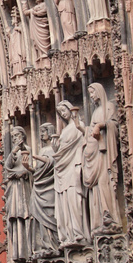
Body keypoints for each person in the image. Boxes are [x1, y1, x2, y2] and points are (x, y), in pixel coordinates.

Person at [83, 84, 121, 234]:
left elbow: (115, 125)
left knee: (106, 182)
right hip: (96, 155)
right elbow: (90, 133)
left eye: (92, 92)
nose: (91, 96)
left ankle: (111, 216)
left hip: (105, 153)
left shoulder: (109, 107)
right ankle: (99, 220)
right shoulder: (95, 112)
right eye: (90, 93)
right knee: (97, 187)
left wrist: (101, 125)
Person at [52, 101, 89, 247]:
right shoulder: (66, 129)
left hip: (74, 165)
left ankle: (78, 234)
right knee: (65, 204)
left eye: (64, 110)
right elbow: (61, 151)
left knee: (75, 200)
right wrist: (56, 149)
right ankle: (68, 235)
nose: (63, 113)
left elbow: (85, 141)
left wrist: (59, 151)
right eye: (60, 112)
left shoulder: (79, 125)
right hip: (62, 170)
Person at [25, 124, 59, 257]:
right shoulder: (42, 150)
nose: (41, 134)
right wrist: (27, 166)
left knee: (50, 214)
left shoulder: (53, 149)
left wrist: (35, 157)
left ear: (50, 132)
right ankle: (44, 245)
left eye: (44, 131)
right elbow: (38, 171)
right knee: (38, 215)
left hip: (50, 186)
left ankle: (54, 244)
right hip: (39, 186)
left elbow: (53, 163)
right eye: (40, 131)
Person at [5, 126, 33, 263]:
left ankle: (27, 250)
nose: (15, 139)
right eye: (13, 137)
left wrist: (26, 173)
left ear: (22, 135)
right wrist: (13, 153)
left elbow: (34, 169)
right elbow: (7, 167)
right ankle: (17, 252)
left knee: (25, 215)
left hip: (24, 187)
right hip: (14, 188)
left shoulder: (28, 151)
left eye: (16, 136)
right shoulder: (13, 154)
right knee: (14, 217)